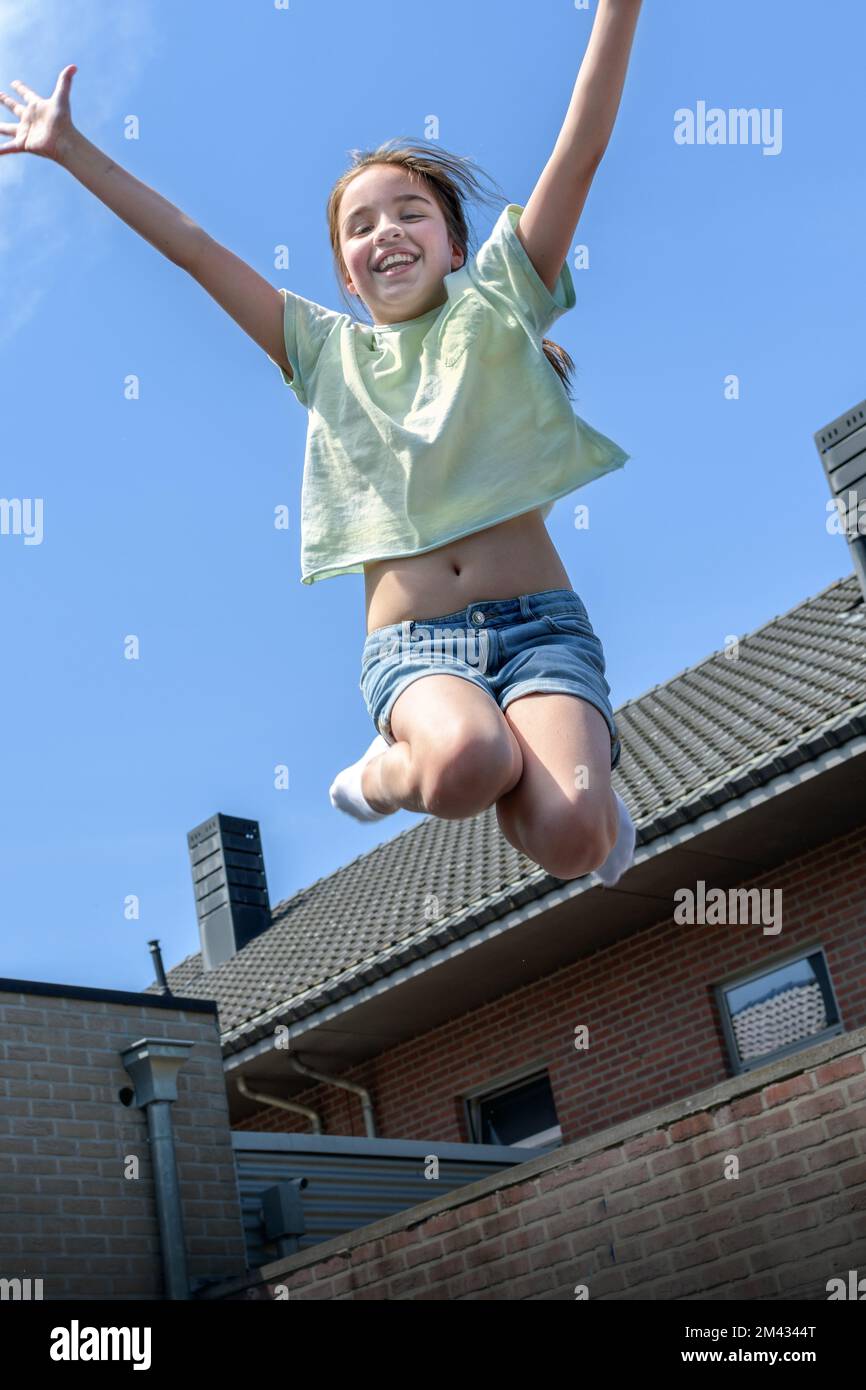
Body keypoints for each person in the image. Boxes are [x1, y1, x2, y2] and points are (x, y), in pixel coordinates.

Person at [0, 0, 642, 886]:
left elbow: (580, 150)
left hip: (541, 634)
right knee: (465, 766)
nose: (387, 233)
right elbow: (192, 248)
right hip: (418, 650)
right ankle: (382, 773)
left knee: (578, 843)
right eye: (362, 226)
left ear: (455, 243)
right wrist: (72, 152)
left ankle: (596, 801)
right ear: (345, 274)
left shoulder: (503, 298)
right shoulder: (324, 353)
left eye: (410, 214)